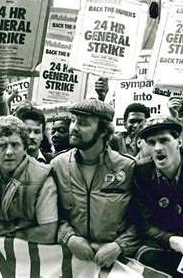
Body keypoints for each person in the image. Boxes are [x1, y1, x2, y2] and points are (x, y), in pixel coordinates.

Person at [51, 98, 138, 267]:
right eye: (73, 121)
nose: (74, 127)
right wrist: (68, 237)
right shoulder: (58, 165)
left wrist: (119, 246)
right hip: (72, 263)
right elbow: (51, 212)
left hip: (116, 263)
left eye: (83, 123)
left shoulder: (128, 167)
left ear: (103, 131)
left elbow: (141, 219)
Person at [132, 115, 183, 276]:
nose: (157, 148)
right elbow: (142, 223)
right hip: (160, 246)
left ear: (179, 142)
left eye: (164, 140)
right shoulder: (141, 172)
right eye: (151, 142)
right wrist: (172, 241)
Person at [0, 116, 57, 242]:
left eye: (15, 145)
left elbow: (47, 233)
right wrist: (24, 226)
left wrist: (3, 231)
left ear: (25, 148)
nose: (9, 152)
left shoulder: (43, 175)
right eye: (2, 145)